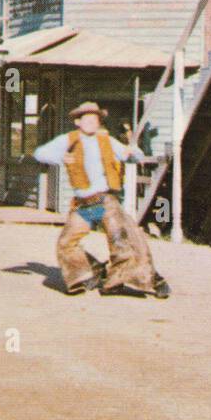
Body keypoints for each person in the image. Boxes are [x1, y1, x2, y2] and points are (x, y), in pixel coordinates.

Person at [33, 102, 169, 299]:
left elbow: (130, 156)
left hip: (105, 201)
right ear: (78, 122)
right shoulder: (68, 140)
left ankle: (134, 280)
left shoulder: (107, 141)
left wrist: (133, 152)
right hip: (83, 204)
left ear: (98, 122)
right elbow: (40, 153)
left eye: (94, 119)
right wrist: (61, 157)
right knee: (66, 242)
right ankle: (88, 273)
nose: (90, 123)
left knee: (122, 240)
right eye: (86, 119)